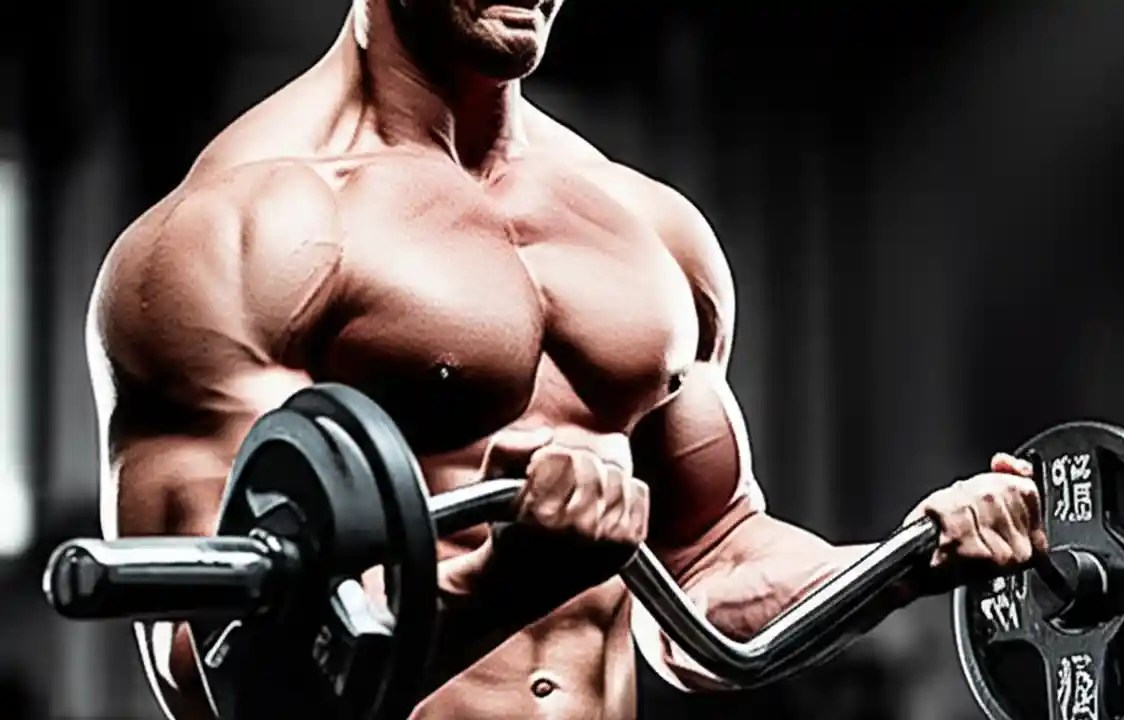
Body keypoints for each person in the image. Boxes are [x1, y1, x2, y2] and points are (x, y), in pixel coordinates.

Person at [88, 1, 1048, 718]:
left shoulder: (650, 229)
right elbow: (214, 672)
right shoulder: (234, 236)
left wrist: (895, 563)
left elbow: (707, 571)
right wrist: (501, 585)